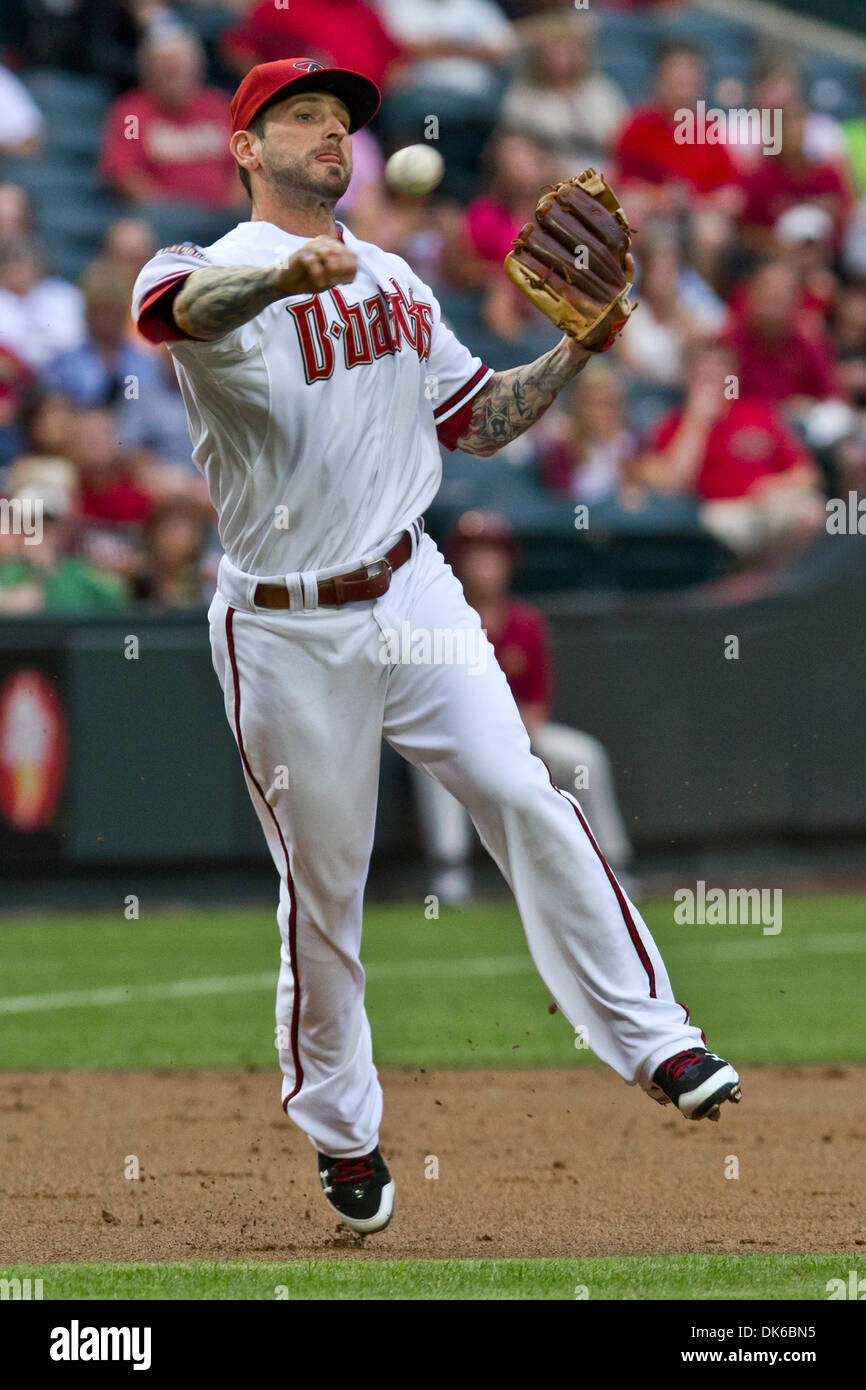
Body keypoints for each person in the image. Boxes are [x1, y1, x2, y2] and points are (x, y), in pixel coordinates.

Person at [131, 56, 742, 1237]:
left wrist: (577, 351)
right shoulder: (203, 267)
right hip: (283, 623)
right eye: (297, 116)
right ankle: (343, 1128)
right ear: (246, 149)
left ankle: (659, 1040)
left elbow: (474, 420)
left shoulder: (398, 277)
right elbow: (175, 317)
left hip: (411, 589)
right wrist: (278, 283)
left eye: (337, 118)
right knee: (325, 895)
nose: (327, 133)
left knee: (525, 785)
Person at [412, 510, 634, 905]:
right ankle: (451, 872)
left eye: (493, 554)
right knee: (430, 765)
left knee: (585, 756)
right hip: (456, 738)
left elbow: (536, 706)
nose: (485, 565)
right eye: (475, 554)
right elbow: (431, 701)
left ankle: (612, 864)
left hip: (519, 735)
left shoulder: (527, 624)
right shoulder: (442, 622)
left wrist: (506, 736)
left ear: (508, 563)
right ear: (458, 563)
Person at [639, 339, 825, 558]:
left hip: (770, 505)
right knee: (720, 530)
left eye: (720, 369)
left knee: (810, 512)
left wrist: (774, 485)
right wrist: (697, 421)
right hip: (718, 514)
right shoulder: (672, 425)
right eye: (704, 371)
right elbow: (674, 483)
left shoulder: (759, 413)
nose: (712, 378)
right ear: (689, 376)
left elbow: (808, 474)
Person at [100, 28, 245, 211]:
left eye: (180, 70)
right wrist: (169, 213)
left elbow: (245, 167)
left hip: (219, 219)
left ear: (198, 70)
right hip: (158, 219)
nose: (175, 80)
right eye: (167, 71)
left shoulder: (220, 107)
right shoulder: (132, 114)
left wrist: (227, 211)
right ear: (148, 72)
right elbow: (125, 173)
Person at [501, 10, 627, 173]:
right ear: (540, 55)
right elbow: (518, 140)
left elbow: (620, 133)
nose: (561, 56)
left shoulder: (598, 87)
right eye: (554, 49)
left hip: (602, 165)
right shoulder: (524, 94)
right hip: (550, 170)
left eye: (567, 49)